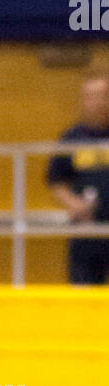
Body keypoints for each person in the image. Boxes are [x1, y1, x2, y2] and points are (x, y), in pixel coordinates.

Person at [47, 73, 109, 285]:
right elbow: (56, 179)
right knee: (85, 291)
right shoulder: (72, 138)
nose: (97, 103)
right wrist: (72, 203)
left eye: (102, 96)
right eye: (90, 97)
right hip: (86, 233)